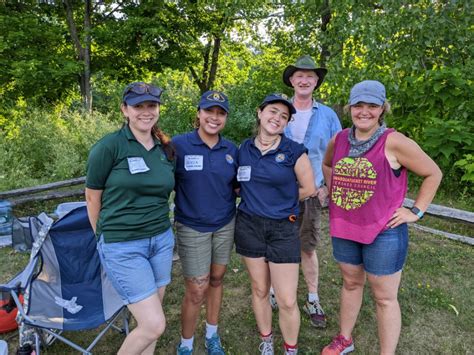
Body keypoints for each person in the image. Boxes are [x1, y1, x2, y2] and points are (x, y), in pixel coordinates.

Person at [321, 80, 442, 354]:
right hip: (345, 228)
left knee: (384, 297)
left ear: (382, 108)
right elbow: (328, 164)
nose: (364, 111)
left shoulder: (394, 141)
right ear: (349, 107)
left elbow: (433, 173)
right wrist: (335, 194)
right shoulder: (338, 140)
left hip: (383, 230)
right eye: (358, 105)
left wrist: (416, 211)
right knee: (351, 283)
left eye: (372, 106)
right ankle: (345, 339)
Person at [85, 82, 176, 355]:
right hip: (123, 245)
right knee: (154, 324)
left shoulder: (165, 149)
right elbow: (92, 198)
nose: (145, 112)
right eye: (138, 106)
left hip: (160, 240)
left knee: (150, 320)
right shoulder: (109, 147)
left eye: (151, 105)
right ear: (125, 109)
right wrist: (102, 238)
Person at [235, 93, 316, 355]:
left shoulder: (294, 151)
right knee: (259, 289)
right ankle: (267, 340)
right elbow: (238, 184)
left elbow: (309, 188)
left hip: (282, 228)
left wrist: (280, 202)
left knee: (287, 299)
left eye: (284, 116)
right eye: (272, 112)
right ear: (260, 113)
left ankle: (290, 349)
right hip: (249, 226)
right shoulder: (243, 149)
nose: (277, 118)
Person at [269, 54, 342, 329]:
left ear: (316, 82)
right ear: (291, 79)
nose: (304, 79)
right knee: (276, 243)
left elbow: (338, 154)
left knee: (307, 248)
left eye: (310, 76)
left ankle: (312, 298)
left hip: (311, 193)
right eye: (299, 75)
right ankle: (274, 292)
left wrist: (326, 188)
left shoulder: (328, 115)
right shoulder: (278, 111)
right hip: (278, 191)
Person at [173, 91, 238, 355]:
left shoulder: (231, 149)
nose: (214, 117)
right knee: (196, 288)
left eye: (220, 113)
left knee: (217, 279)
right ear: (198, 113)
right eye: (209, 111)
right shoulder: (178, 145)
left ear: (225, 118)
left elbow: (238, 186)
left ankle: (212, 334)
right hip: (192, 226)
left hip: (225, 223)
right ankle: (185, 344)